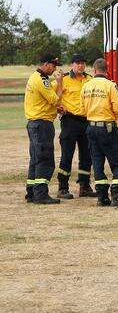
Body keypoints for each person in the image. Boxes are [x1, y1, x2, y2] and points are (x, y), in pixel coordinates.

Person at [81, 58, 118, 207]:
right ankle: (117, 194)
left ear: (94, 69)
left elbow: (82, 109)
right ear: (107, 70)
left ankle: (102, 196)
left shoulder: (86, 86)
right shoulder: (110, 86)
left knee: (97, 162)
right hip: (108, 127)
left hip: (91, 127)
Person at [24, 54, 64, 204]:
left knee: (35, 158)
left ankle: (31, 193)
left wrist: (56, 109)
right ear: (46, 65)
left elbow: (45, 101)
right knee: (45, 159)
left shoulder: (36, 77)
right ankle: (40, 194)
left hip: (35, 123)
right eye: (53, 66)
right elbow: (55, 99)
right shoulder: (41, 80)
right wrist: (59, 83)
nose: (54, 69)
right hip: (42, 124)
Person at [56, 54, 96, 199]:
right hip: (70, 121)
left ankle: (84, 186)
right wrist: (58, 108)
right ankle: (62, 187)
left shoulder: (90, 80)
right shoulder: (64, 79)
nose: (81, 66)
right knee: (67, 155)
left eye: (83, 63)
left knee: (87, 155)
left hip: (87, 121)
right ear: (72, 64)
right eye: (78, 63)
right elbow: (54, 97)